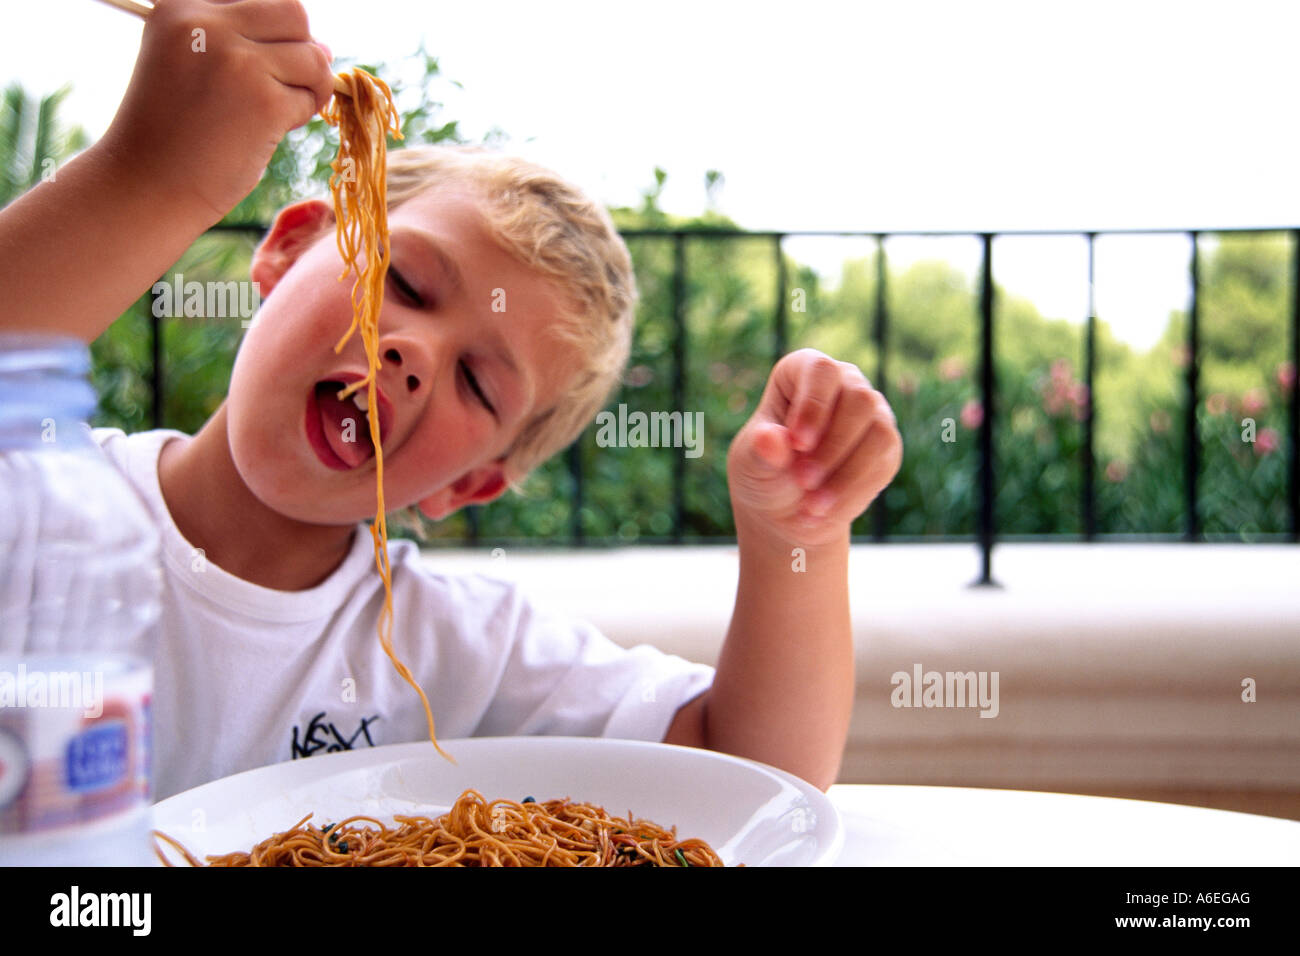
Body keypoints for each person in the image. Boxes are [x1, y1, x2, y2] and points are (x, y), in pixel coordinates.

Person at [0, 0, 902, 799]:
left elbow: (750, 773)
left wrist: (799, 539)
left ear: (468, 486)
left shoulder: (455, 650)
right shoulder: (41, 506)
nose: (411, 351)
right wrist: (154, 176)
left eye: (477, 382)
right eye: (405, 281)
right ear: (287, 250)